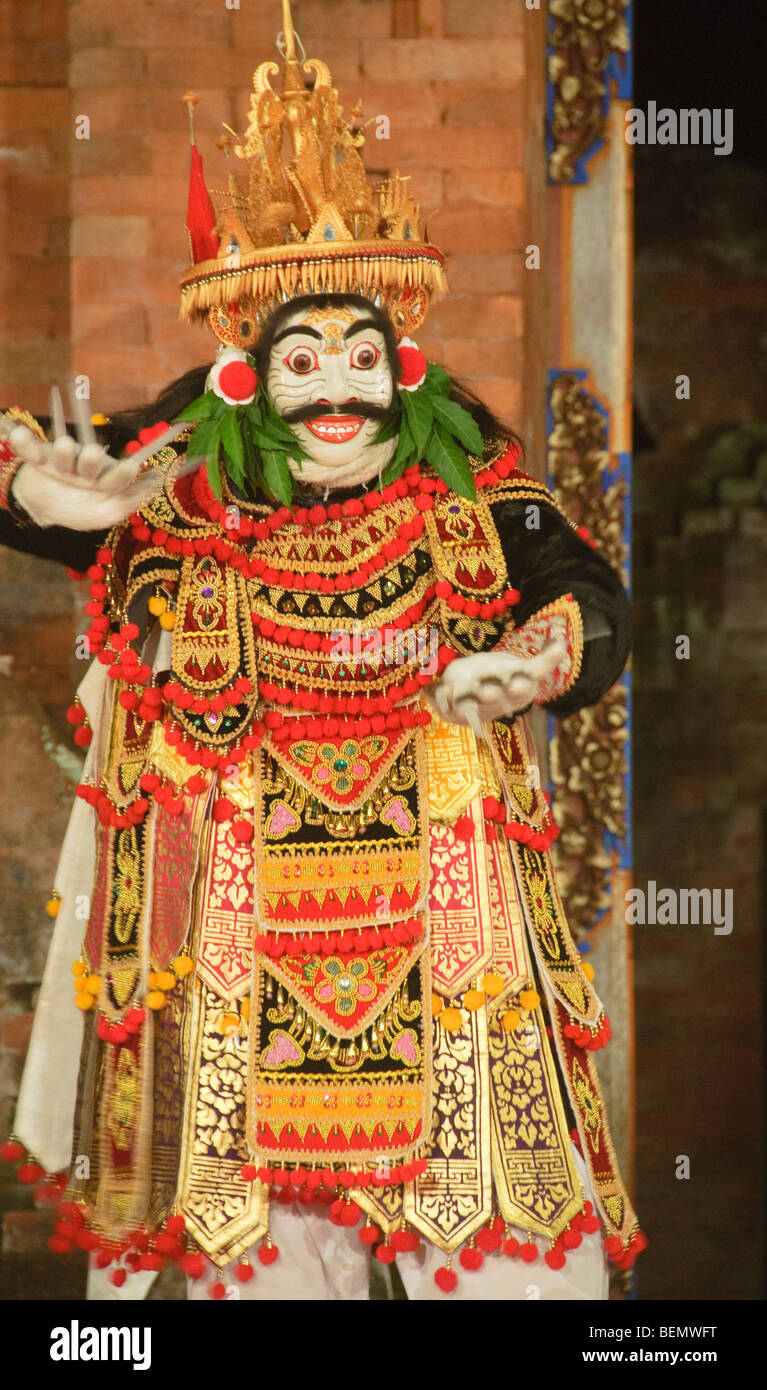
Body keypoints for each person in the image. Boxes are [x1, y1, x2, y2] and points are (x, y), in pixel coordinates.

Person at [0, 2, 644, 1300]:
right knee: (269, 1246)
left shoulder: (471, 477)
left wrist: (527, 662)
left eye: (362, 356)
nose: (337, 387)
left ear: (400, 366)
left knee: (492, 1241)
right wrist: (40, 502)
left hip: (439, 891)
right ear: (250, 377)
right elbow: (54, 495)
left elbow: (589, 593)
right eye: (304, 359)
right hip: (242, 905)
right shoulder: (174, 480)